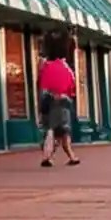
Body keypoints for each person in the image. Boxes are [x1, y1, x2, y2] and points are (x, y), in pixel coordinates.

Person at [37, 34, 80, 167]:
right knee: (64, 131)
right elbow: (71, 87)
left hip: (50, 101)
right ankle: (69, 156)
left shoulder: (45, 67)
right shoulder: (66, 68)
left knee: (51, 129)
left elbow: (42, 84)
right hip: (64, 101)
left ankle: (48, 156)